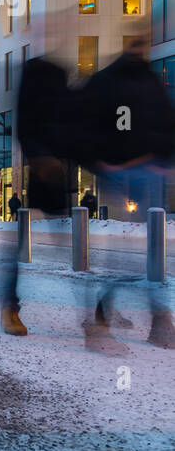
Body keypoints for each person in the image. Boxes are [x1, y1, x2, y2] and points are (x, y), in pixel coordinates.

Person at [78, 32, 175, 352]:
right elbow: (85, 124)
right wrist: (101, 162)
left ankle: (160, 321)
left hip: (149, 171)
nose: (142, 47)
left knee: (152, 255)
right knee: (127, 256)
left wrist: (165, 160)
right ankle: (101, 318)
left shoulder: (149, 81)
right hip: (118, 172)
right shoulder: (106, 81)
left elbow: (165, 122)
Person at [0, 56, 80, 337]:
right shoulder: (36, 77)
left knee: (68, 248)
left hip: (61, 174)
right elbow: (26, 128)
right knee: (22, 245)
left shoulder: (64, 84)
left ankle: (96, 311)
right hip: (44, 175)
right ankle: (9, 305)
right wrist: (41, 158)